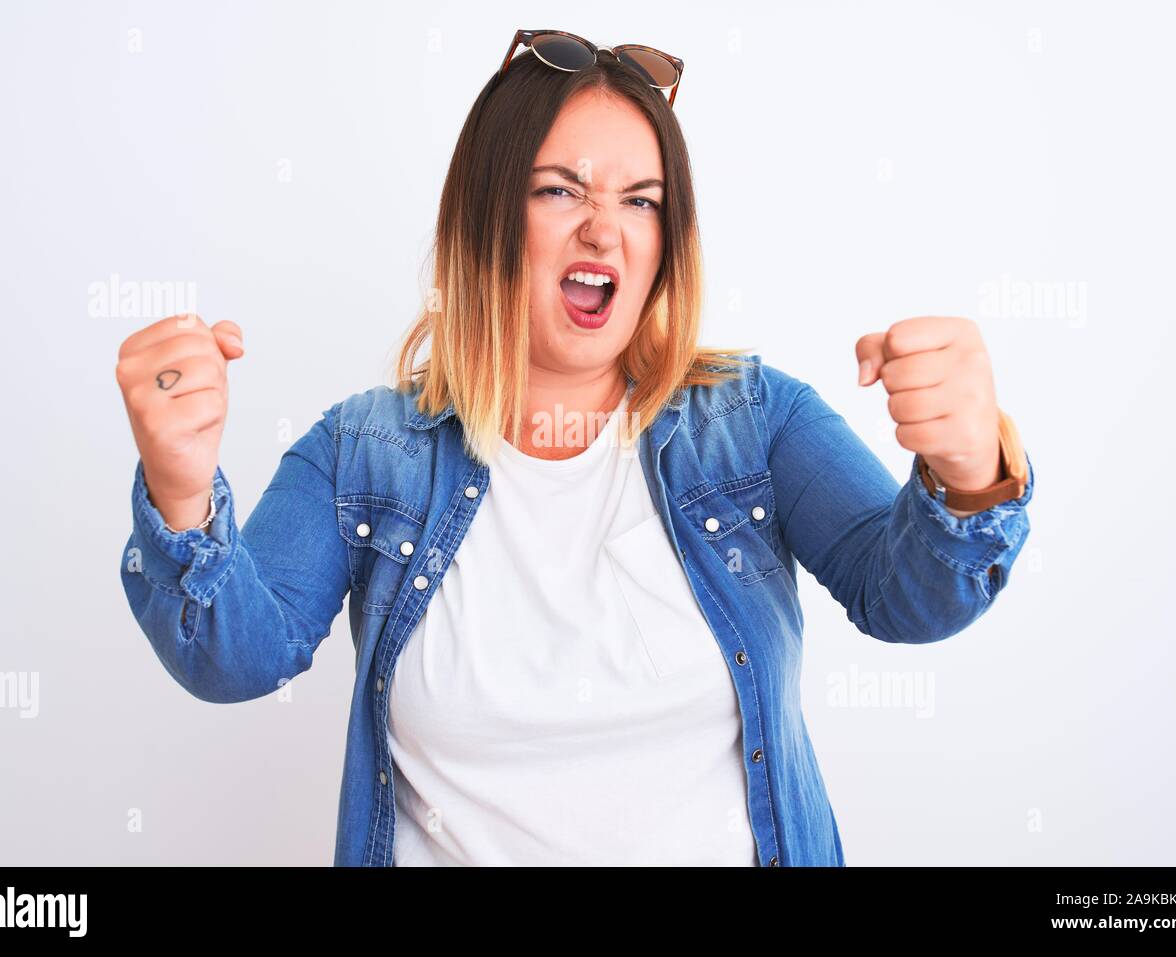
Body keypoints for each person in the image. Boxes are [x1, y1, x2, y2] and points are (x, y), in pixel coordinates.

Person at [114, 30, 1035, 867]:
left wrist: (967, 476)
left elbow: (905, 596)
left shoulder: (756, 422)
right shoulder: (364, 451)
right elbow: (236, 658)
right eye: (561, 189)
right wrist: (182, 490)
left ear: (665, 244)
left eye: (640, 200)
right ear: (483, 220)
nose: (604, 228)